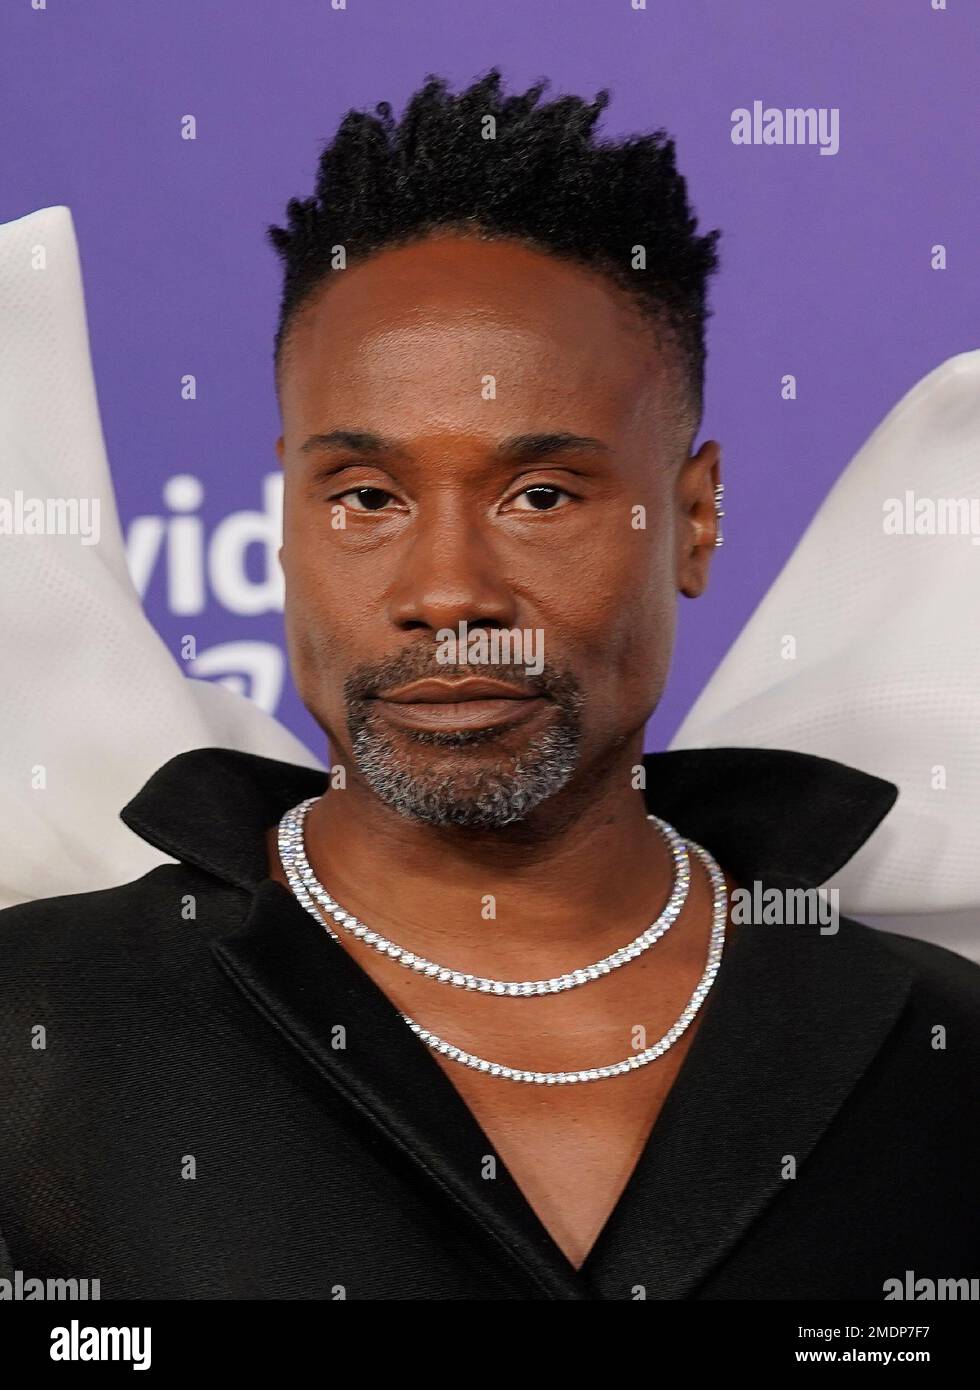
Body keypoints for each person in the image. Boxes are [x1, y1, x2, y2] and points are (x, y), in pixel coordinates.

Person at [0, 69, 977, 1302]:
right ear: (287, 523)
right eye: (366, 496)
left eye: (540, 496)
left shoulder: (941, 1050)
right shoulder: (35, 1026)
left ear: (693, 518)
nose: (448, 590)